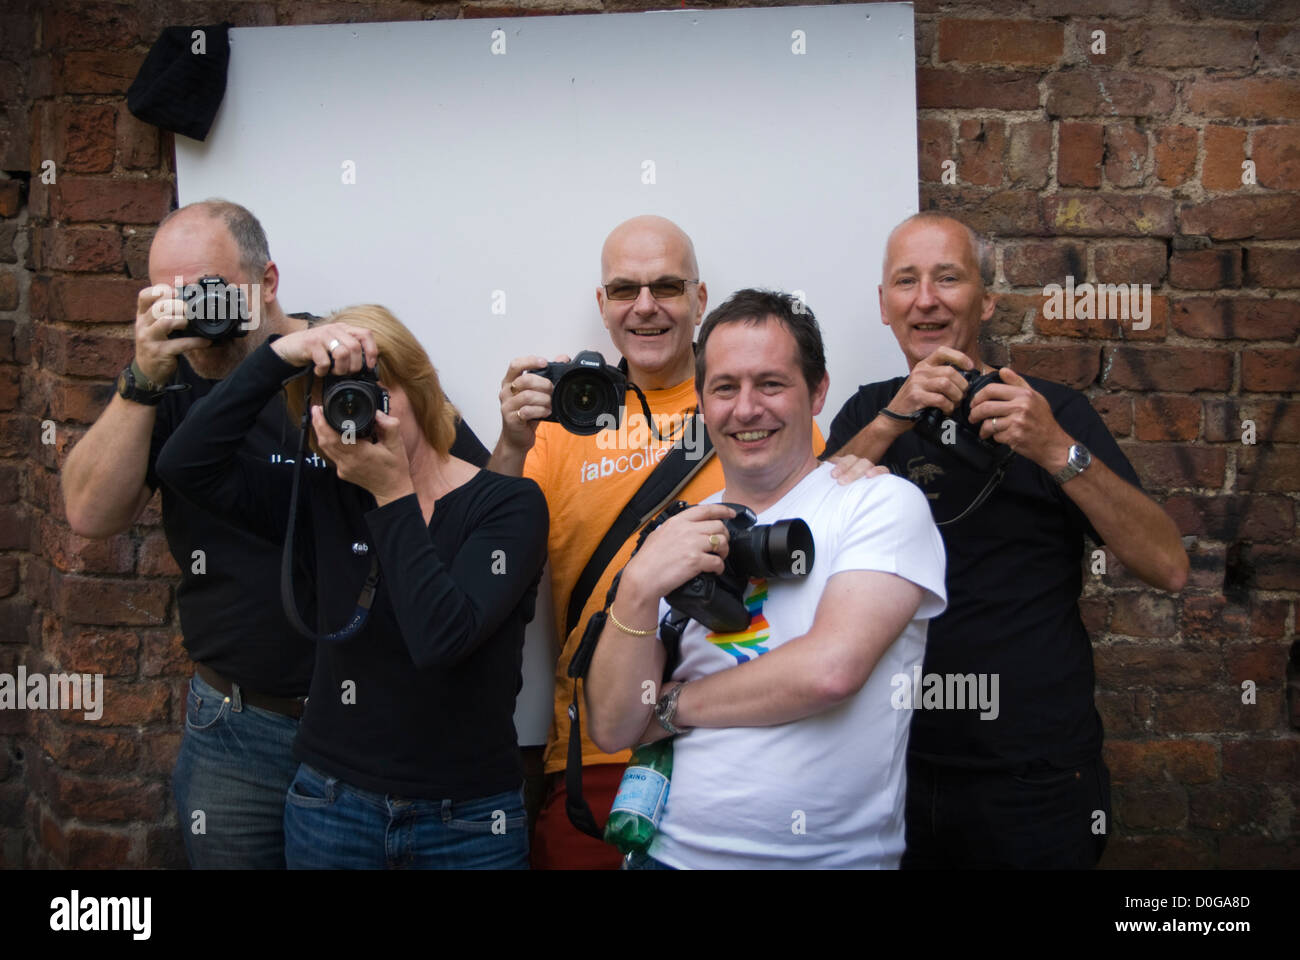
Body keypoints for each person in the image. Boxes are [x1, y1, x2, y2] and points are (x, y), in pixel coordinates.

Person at [59, 201, 489, 868]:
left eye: (207, 287)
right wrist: (142, 379)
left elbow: (469, 490)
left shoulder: (347, 359)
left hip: (371, 723)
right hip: (241, 723)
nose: (192, 308)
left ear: (268, 282)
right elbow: (89, 514)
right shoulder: (162, 386)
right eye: (171, 295)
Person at [821, 212, 1189, 869]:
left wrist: (1053, 449)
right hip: (887, 765)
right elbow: (804, 545)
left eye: (948, 278)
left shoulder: (1050, 411)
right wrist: (892, 421)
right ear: (884, 305)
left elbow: (1167, 565)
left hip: (1031, 777)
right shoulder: (866, 413)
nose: (926, 298)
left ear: (987, 301)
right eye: (906, 281)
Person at [489, 216, 842, 868]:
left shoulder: (753, 412)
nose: (645, 306)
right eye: (625, 290)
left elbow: (822, 555)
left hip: (735, 741)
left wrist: (867, 464)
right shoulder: (565, 419)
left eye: (667, 287)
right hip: (596, 752)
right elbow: (485, 563)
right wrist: (512, 441)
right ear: (602, 305)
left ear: (700, 300)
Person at [155, 305, 547, 869]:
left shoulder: (508, 504)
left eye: (376, 388)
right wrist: (276, 356)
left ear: (421, 388)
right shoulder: (322, 492)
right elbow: (185, 465)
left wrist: (392, 496)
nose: (359, 409)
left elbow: (442, 639)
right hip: (333, 805)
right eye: (336, 395)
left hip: (469, 819)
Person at [585, 289, 947, 869]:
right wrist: (638, 585)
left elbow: (830, 672)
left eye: (771, 384)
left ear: (818, 390)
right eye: (725, 388)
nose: (746, 409)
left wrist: (674, 705)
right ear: (702, 404)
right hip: (666, 857)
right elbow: (612, 725)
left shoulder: (877, 504)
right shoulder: (682, 533)